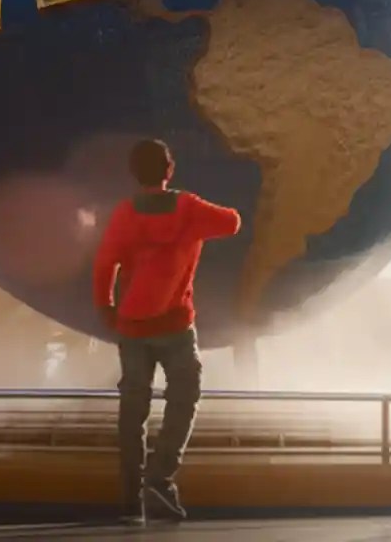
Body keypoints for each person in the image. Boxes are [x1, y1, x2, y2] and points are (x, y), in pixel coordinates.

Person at [93, 139, 241, 525]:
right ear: (169, 170)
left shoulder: (125, 214)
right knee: (185, 396)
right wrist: (191, 219)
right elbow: (233, 222)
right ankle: (160, 477)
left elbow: (105, 264)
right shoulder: (189, 208)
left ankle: (129, 503)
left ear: (133, 173)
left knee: (133, 410)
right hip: (175, 325)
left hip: (132, 326)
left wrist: (107, 308)